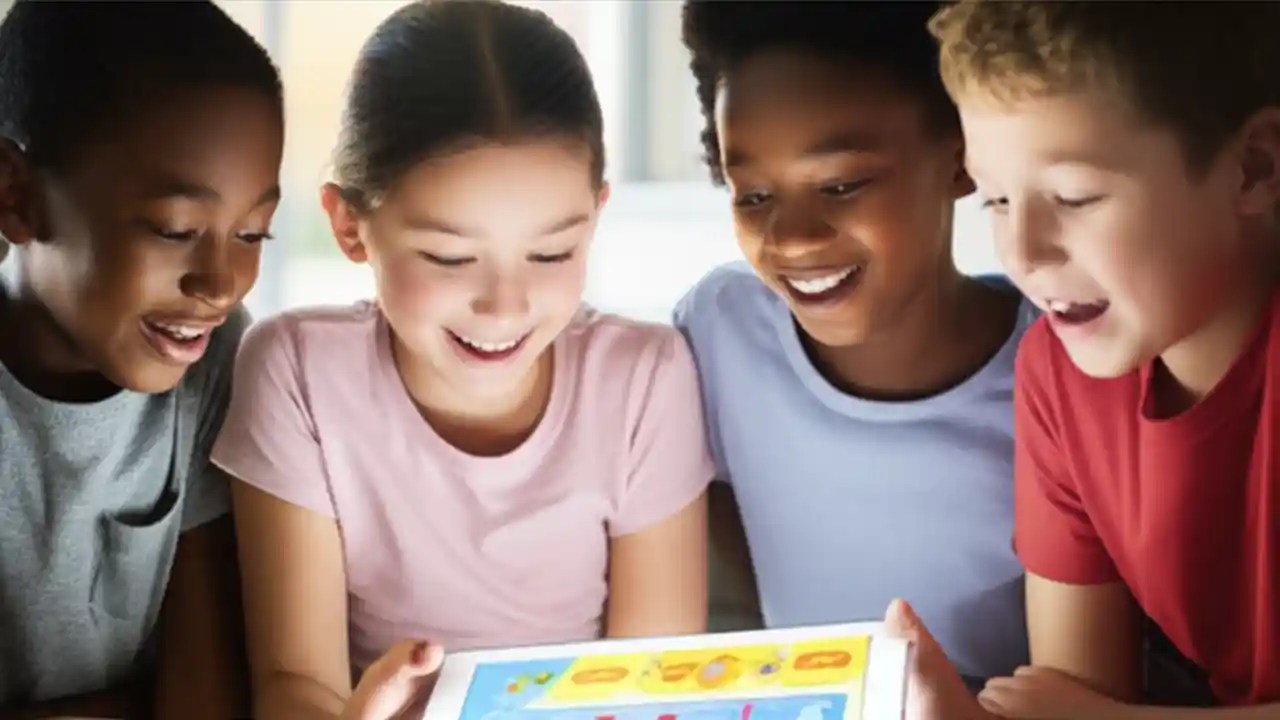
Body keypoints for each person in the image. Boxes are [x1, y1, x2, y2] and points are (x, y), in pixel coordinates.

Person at [211, 2, 714, 718]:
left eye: (551, 253)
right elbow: (297, 687)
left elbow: (655, 683)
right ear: (351, 225)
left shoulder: (643, 379)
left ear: (595, 216)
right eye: (450, 257)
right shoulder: (298, 371)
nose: (504, 306)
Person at [891, 1, 1280, 717]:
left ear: (1253, 167)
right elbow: (1070, 694)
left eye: (1075, 197)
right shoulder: (1057, 372)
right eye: (998, 201)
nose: (1023, 255)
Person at [676, 0, 1034, 690]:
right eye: (752, 195)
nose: (792, 237)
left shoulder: (1056, 368)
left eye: (841, 185)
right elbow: (724, 523)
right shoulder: (722, 329)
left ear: (962, 160)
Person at [0, 1, 283, 717]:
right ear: (16, 196)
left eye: (253, 234)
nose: (220, 283)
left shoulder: (214, 365)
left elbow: (204, 697)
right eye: (175, 229)